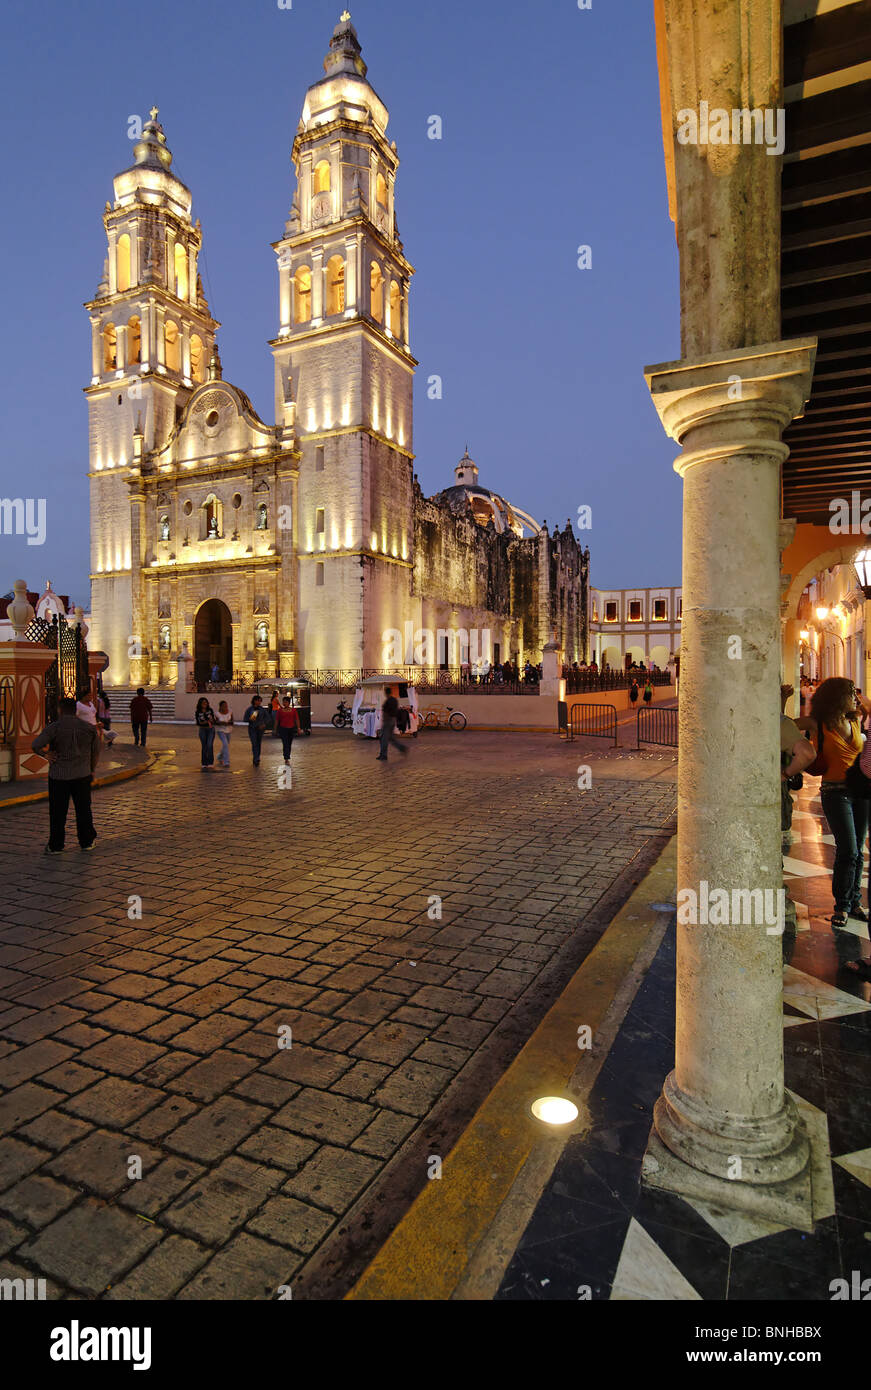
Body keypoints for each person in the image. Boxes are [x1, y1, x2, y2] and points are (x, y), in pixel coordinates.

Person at [802, 677, 869, 928]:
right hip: (834, 792)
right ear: (838, 696)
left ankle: (854, 903)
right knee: (848, 849)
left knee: (859, 850)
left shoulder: (855, 720)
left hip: (861, 791)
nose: (856, 696)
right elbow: (781, 725)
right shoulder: (817, 723)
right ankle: (841, 905)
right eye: (851, 692)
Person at [31, 696, 99, 853]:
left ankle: (56, 845)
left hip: (59, 775)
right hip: (82, 774)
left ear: (60, 710)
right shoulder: (89, 728)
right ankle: (86, 841)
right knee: (83, 809)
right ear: (75, 710)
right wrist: (91, 769)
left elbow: (35, 745)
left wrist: (46, 754)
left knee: (57, 811)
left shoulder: (54, 727)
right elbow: (95, 752)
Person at [376, 687, 408, 761]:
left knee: (384, 738)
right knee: (391, 738)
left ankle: (383, 755)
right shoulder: (394, 700)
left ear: (386, 693)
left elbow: (386, 711)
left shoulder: (388, 701)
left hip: (388, 721)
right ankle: (402, 748)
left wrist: (384, 720)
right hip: (393, 720)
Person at [243, 694, 270, 766]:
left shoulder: (262, 709)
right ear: (254, 701)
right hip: (252, 728)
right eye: (257, 701)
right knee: (254, 743)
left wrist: (264, 724)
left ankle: (257, 757)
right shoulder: (250, 709)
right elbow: (245, 719)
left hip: (260, 729)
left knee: (258, 743)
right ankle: (256, 758)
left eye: (260, 701)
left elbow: (267, 718)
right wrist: (250, 719)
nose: (259, 702)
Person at [275, 696, 300, 764]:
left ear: (289, 703)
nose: (284, 703)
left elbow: (296, 719)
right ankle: (286, 757)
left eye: (286, 702)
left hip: (291, 729)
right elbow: (277, 720)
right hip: (283, 729)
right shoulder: (280, 711)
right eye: (283, 701)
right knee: (285, 743)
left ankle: (287, 755)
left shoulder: (293, 710)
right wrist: (275, 729)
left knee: (289, 743)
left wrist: (298, 728)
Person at [195, 697, 215, 769]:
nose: (205, 704)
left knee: (209, 745)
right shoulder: (198, 712)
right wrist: (205, 722)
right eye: (203, 702)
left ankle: (210, 762)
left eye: (206, 702)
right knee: (204, 746)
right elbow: (198, 722)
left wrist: (211, 720)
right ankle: (204, 762)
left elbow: (213, 720)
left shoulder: (210, 710)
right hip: (202, 729)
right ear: (200, 704)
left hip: (210, 729)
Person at [215, 700, 233, 767]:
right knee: (225, 744)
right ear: (220, 706)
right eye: (224, 706)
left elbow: (232, 721)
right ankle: (226, 761)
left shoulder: (230, 712)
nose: (225, 707)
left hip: (229, 730)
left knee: (226, 745)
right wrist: (222, 723)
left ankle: (220, 756)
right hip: (221, 730)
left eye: (226, 705)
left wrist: (229, 723)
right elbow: (216, 722)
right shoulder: (217, 713)